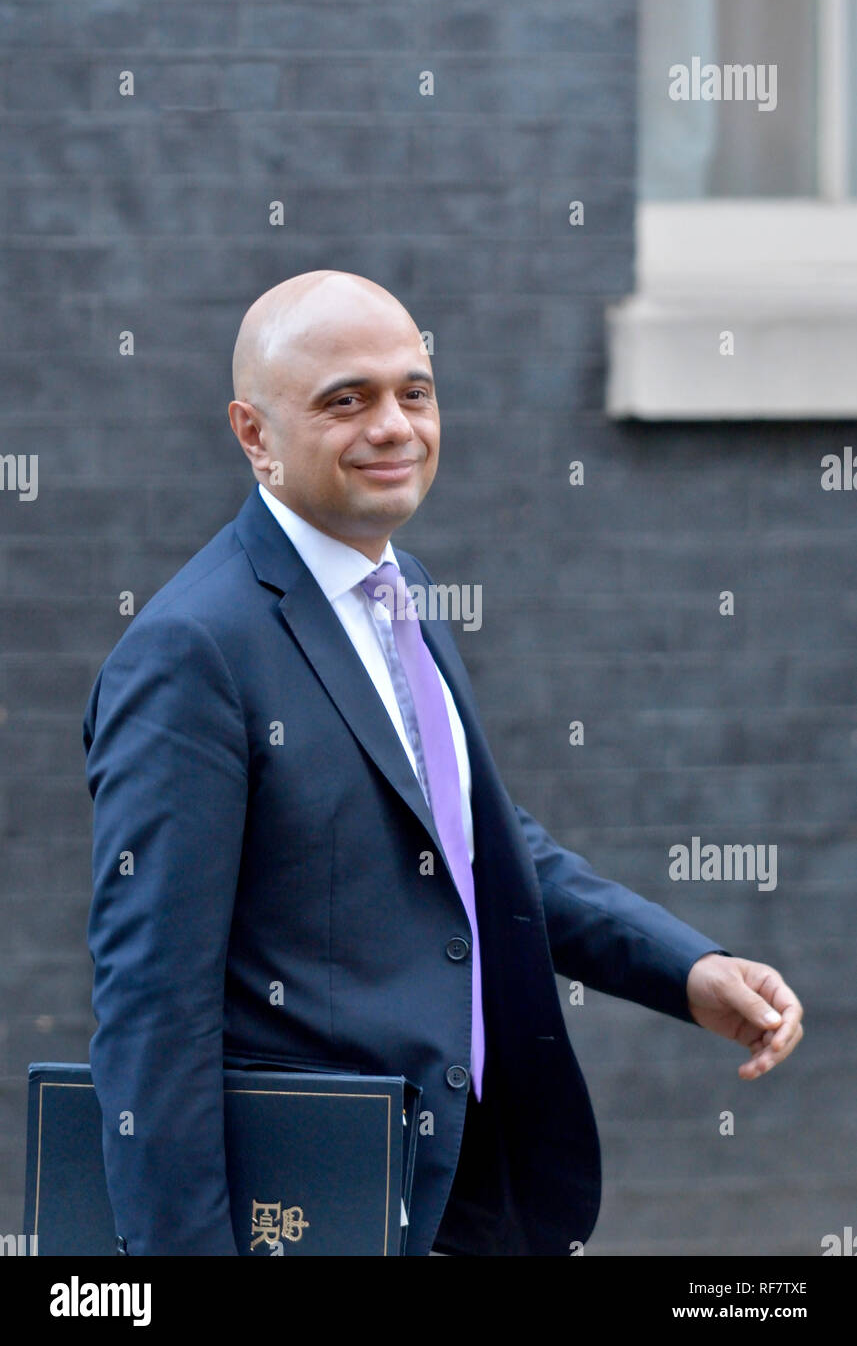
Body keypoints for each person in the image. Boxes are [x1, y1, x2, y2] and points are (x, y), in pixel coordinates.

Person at [83, 270, 804, 1257]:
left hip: (464, 1186)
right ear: (254, 433)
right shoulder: (192, 650)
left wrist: (685, 966)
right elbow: (153, 1007)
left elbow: (482, 846)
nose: (393, 426)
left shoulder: (397, 587)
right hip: (315, 1200)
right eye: (346, 400)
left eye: (413, 391)